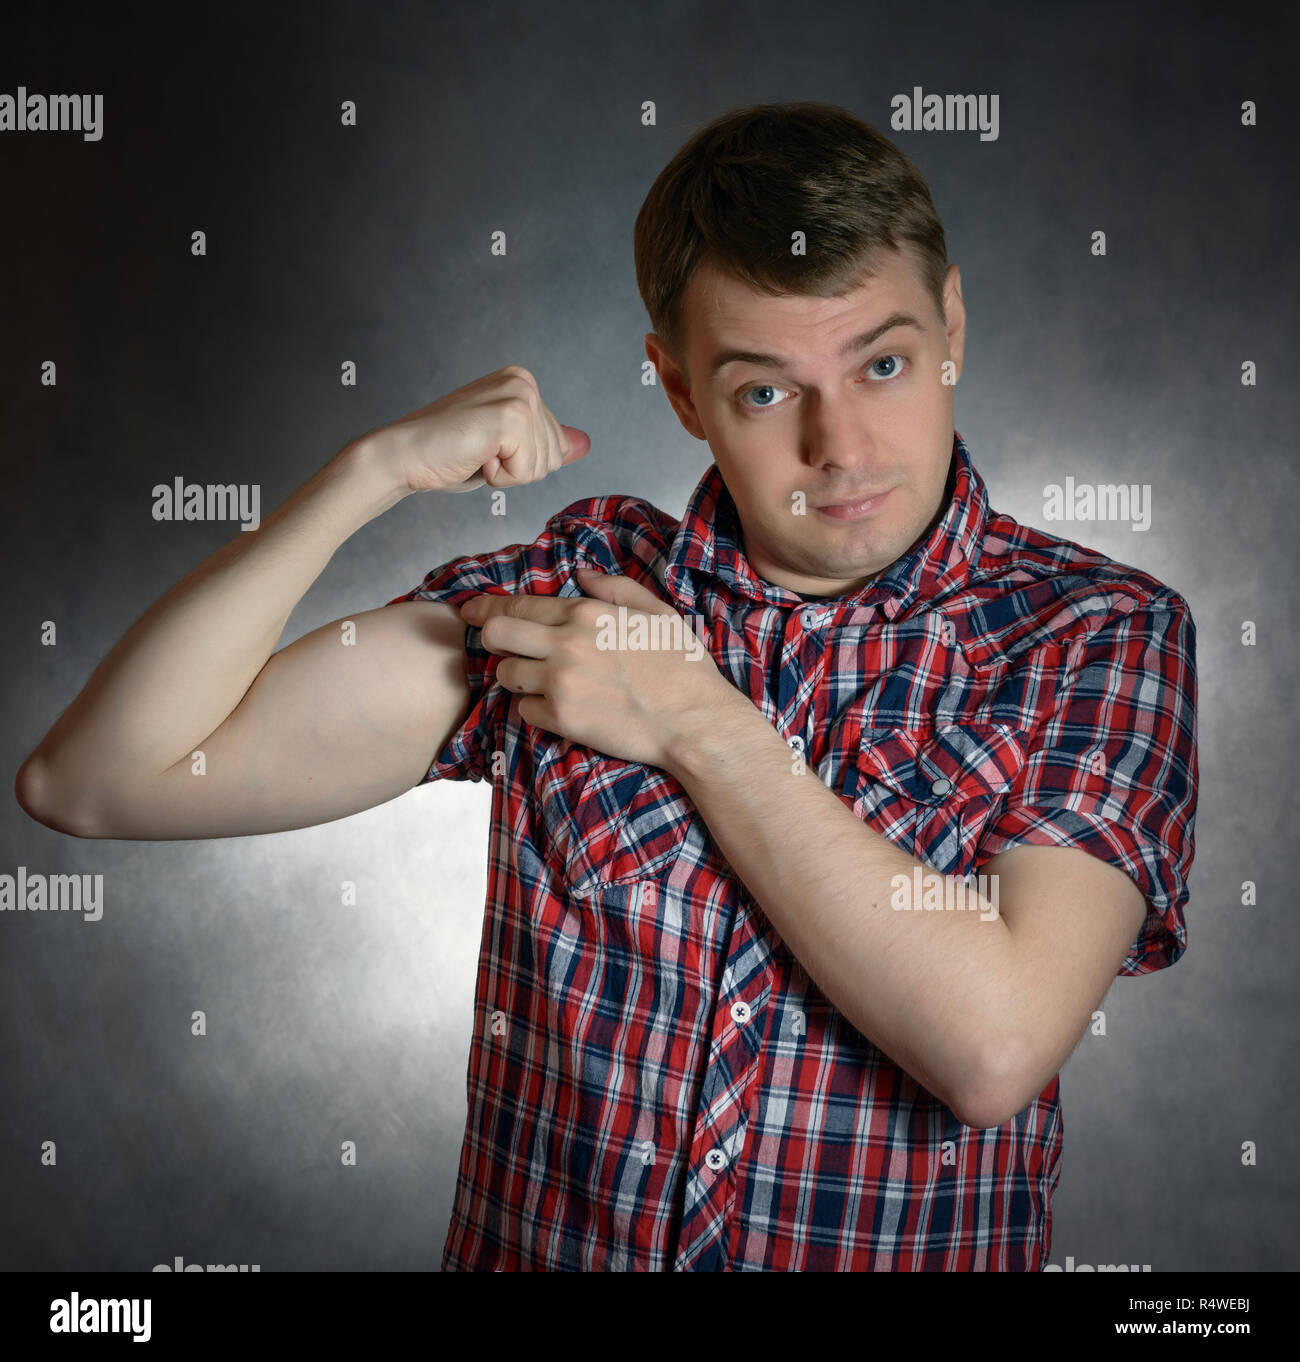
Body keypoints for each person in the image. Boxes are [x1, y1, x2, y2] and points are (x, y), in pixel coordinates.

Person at [15, 101, 1198, 1271]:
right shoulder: (565, 598)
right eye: (765, 391)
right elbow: (98, 778)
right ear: (681, 392)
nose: (840, 446)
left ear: (949, 324)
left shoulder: (1095, 635)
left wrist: (693, 721)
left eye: (882, 362)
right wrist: (367, 475)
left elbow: (993, 1045)